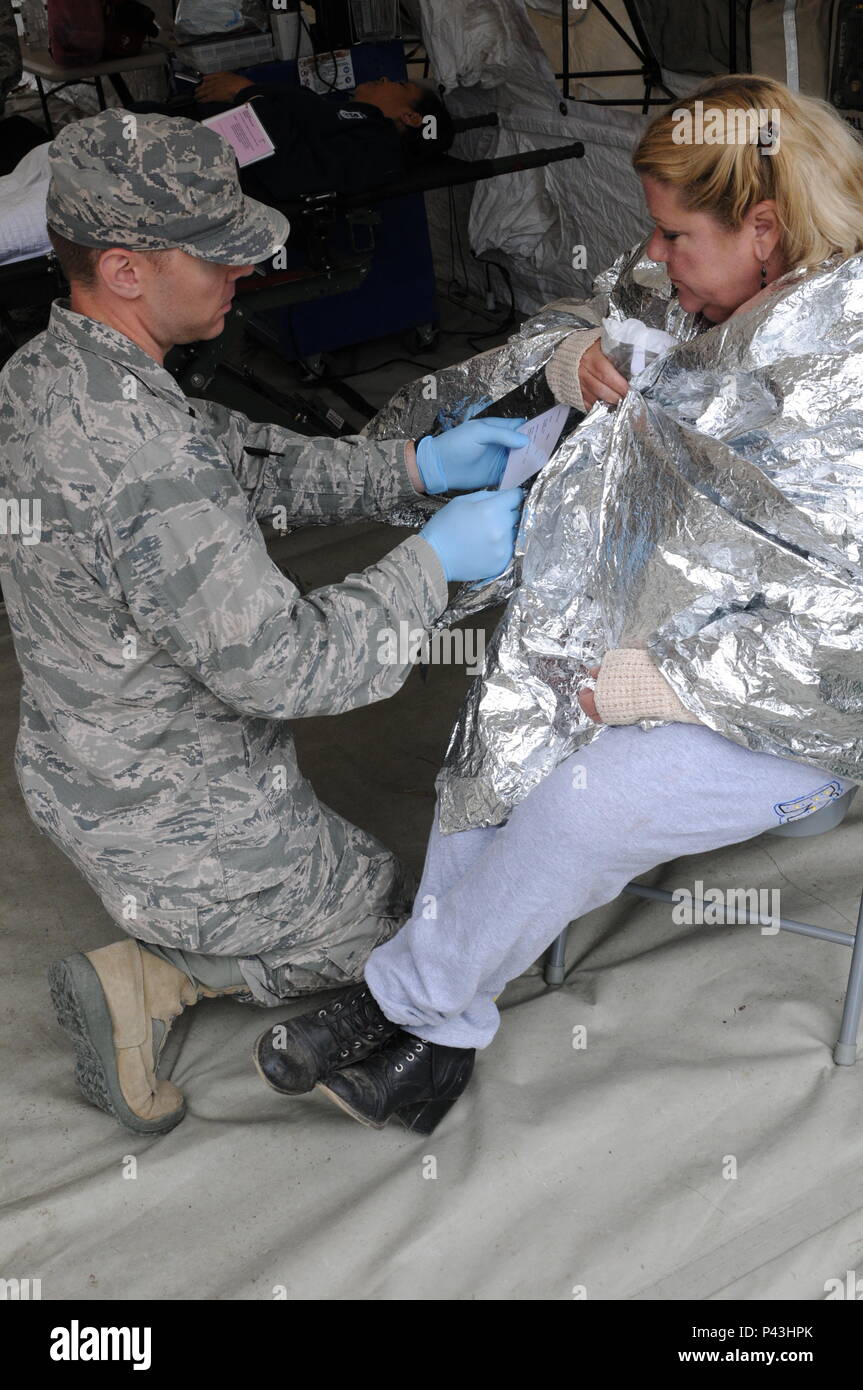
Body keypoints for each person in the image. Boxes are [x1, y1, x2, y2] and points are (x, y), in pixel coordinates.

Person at [253, 74, 863, 1135]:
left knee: (588, 801)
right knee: (501, 725)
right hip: (641, 620)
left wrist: (671, 685)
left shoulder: (841, 368)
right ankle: (436, 1041)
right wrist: (563, 359)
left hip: (799, 703)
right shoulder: (690, 282)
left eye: (675, 237)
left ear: (762, 229)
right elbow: (594, 308)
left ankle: (402, 1000)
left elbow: (844, 624)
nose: (656, 258)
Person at [0, 108, 529, 1135]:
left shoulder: (54, 375)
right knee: (386, 919)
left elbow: (239, 461)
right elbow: (291, 668)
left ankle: (182, 929)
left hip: (91, 759)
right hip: (169, 810)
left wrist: (413, 468)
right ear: (124, 269)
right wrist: (433, 562)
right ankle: (153, 977)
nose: (244, 271)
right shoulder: (137, 459)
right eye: (218, 256)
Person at [189, 71, 454, 200]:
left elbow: (294, 172)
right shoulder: (359, 121)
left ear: (410, 117)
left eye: (401, 84)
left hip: (194, 166)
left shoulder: (378, 149)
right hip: (197, 136)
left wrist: (247, 94)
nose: (385, 78)